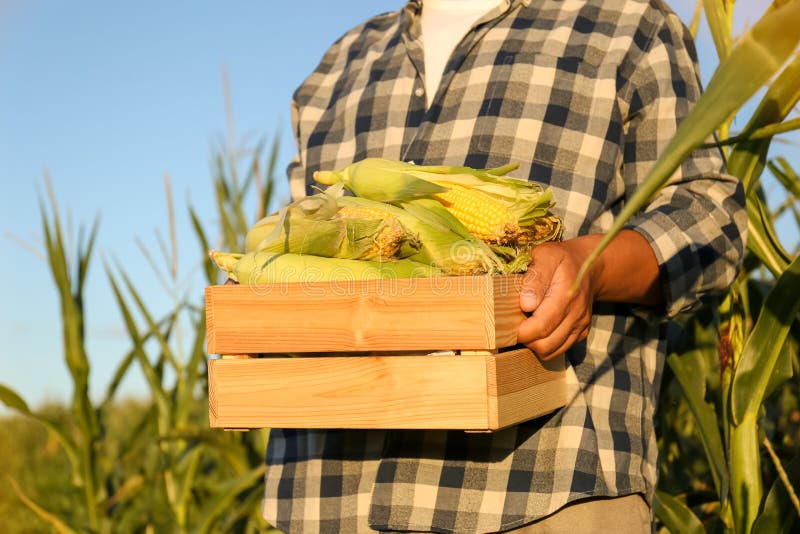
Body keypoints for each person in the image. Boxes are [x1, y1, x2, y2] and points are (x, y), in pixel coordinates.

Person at [263, 0, 747, 531]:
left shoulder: (629, 25)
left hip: (539, 490)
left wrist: (588, 265)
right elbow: (308, 235)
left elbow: (708, 218)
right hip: (327, 499)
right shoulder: (339, 65)